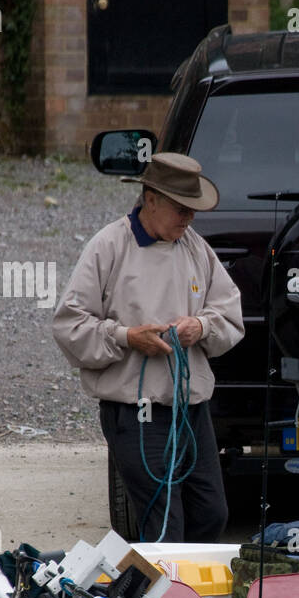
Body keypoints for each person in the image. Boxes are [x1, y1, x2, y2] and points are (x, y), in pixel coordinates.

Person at [53, 152, 244, 542]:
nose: (188, 218)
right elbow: (69, 323)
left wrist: (200, 326)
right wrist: (126, 337)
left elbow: (229, 315)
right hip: (135, 412)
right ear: (150, 198)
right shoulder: (109, 246)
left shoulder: (195, 247)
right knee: (164, 523)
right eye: (180, 208)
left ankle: (188, 597)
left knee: (211, 513)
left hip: (191, 409)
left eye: (192, 210)